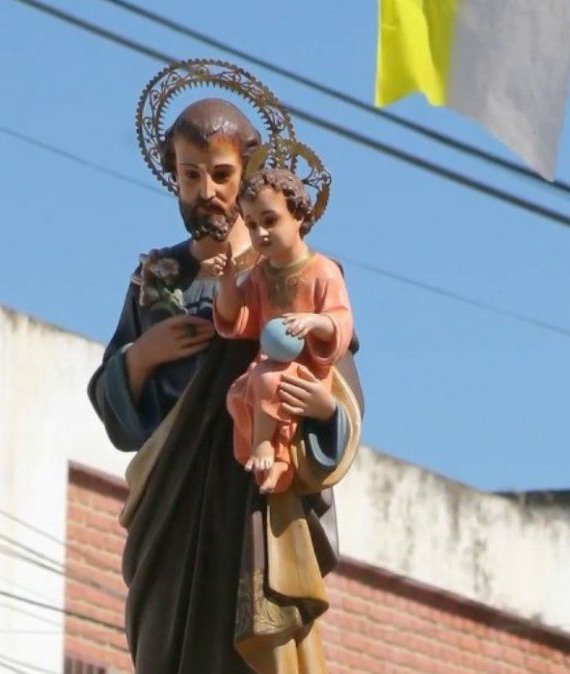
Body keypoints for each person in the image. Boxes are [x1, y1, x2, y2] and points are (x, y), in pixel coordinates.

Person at [87, 59, 364, 674]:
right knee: (167, 643)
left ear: (250, 176)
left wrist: (321, 410)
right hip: (174, 501)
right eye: (190, 176)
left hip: (255, 500)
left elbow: (340, 387)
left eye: (220, 175)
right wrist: (143, 357)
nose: (206, 192)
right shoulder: (157, 279)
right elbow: (118, 416)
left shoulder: (301, 272)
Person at [211, 167, 353, 496]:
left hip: (306, 373)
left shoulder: (324, 272)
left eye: (270, 220)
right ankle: (271, 458)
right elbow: (241, 319)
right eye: (251, 224)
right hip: (267, 363)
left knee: (268, 381)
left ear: (299, 216)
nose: (260, 232)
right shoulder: (261, 273)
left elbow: (341, 320)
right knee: (240, 393)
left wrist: (314, 322)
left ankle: (270, 452)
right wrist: (226, 282)